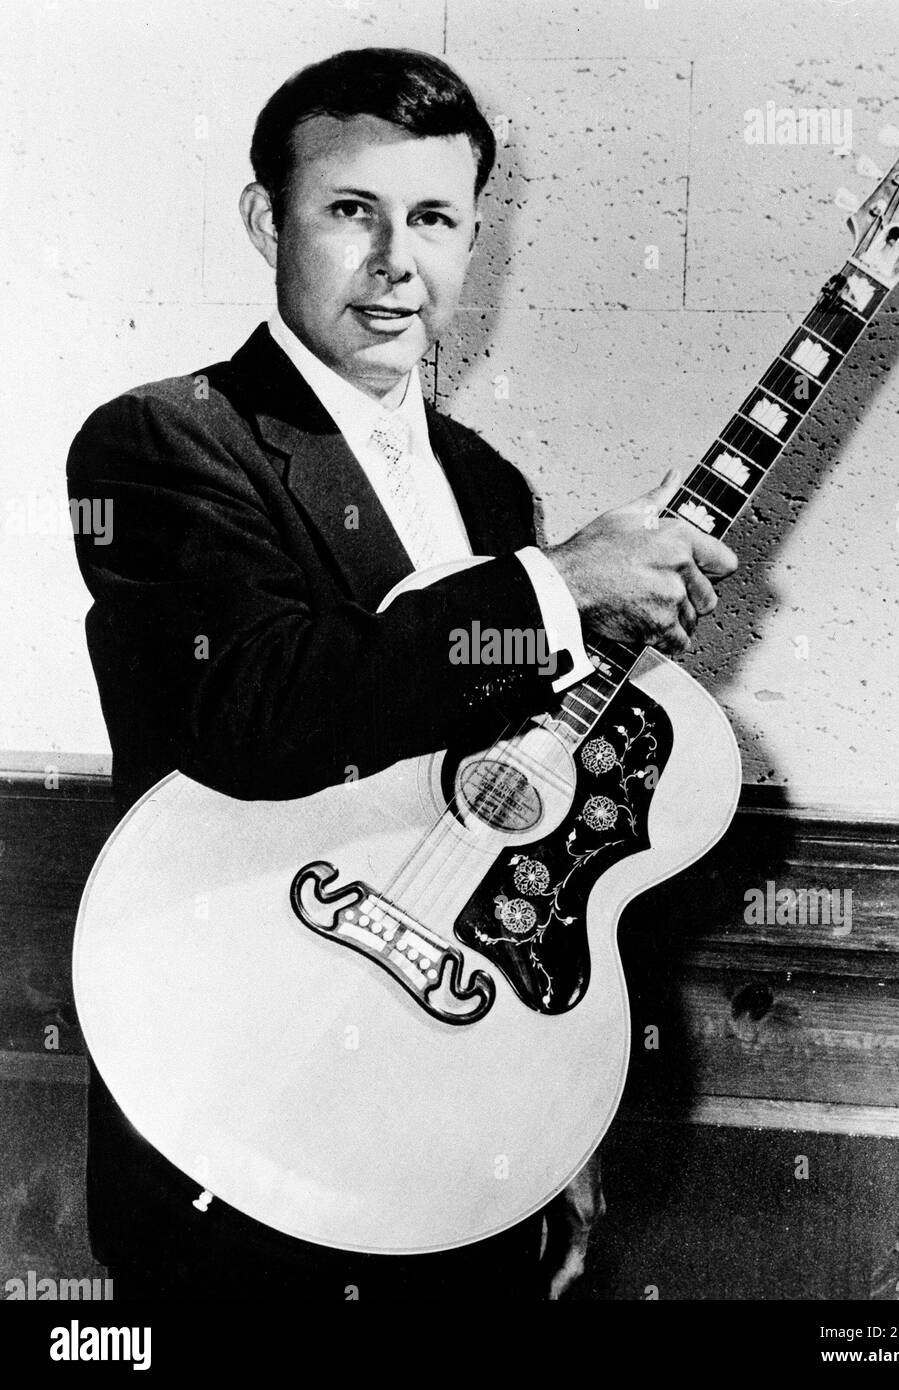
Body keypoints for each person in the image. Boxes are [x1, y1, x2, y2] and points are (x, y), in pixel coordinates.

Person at [67, 47, 737, 1302]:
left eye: (431, 219)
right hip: (245, 1115)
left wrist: (544, 1130)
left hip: (452, 1142)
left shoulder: (487, 488)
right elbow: (251, 714)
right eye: (350, 212)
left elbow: (513, 839)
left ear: (474, 238)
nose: (395, 263)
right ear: (269, 219)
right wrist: (552, 588)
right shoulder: (160, 440)